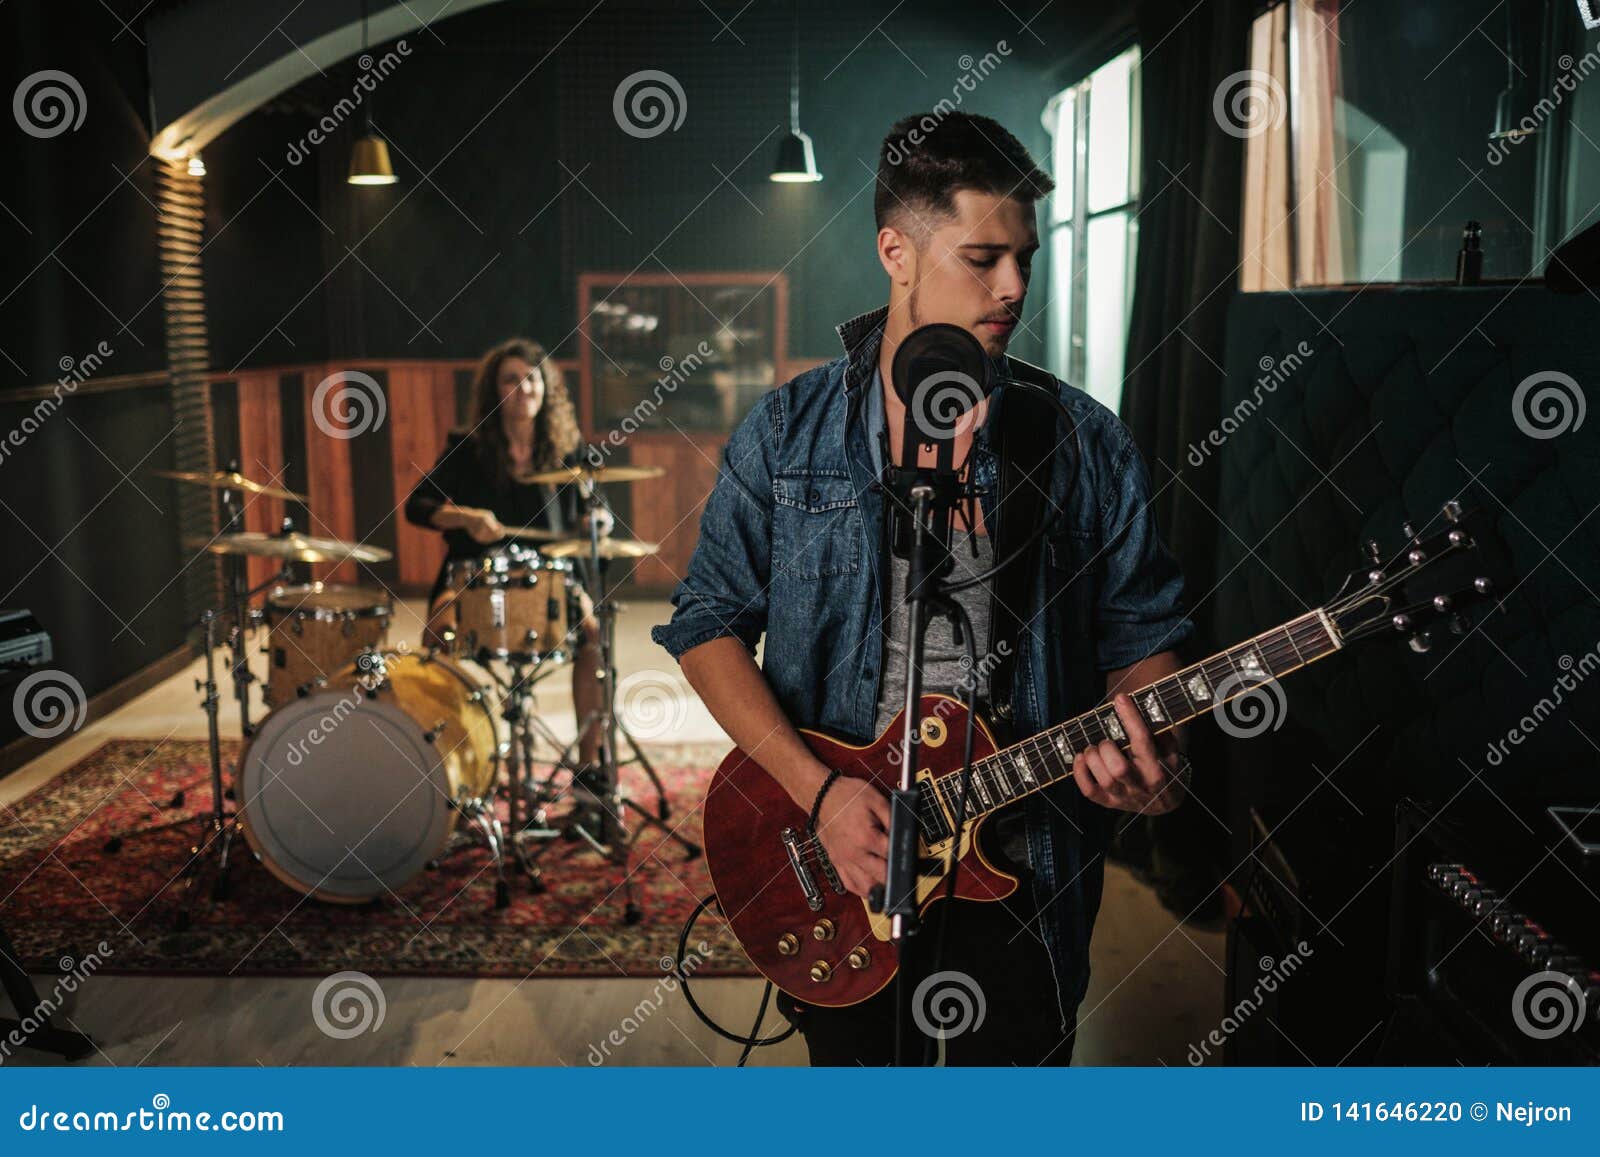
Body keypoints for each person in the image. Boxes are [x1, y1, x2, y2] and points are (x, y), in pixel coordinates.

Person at [652, 112, 1194, 1065]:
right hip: (843, 859)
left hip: (1026, 866)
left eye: (1026, 257)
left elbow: (1139, 634)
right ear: (895, 251)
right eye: (984, 258)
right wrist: (818, 794)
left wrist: (1154, 748)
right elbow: (706, 623)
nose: (1015, 287)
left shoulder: (1082, 442)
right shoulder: (787, 433)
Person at [405, 337, 609, 794]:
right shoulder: (468, 446)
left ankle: (589, 768)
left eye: (532, 378)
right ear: (495, 390)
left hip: (549, 575)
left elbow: (597, 510)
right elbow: (415, 507)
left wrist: (596, 519)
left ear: (546, 387)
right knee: (437, 632)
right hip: (475, 574)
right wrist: (463, 517)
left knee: (595, 635)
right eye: (511, 379)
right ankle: (449, 764)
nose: (523, 388)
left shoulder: (569, 449)